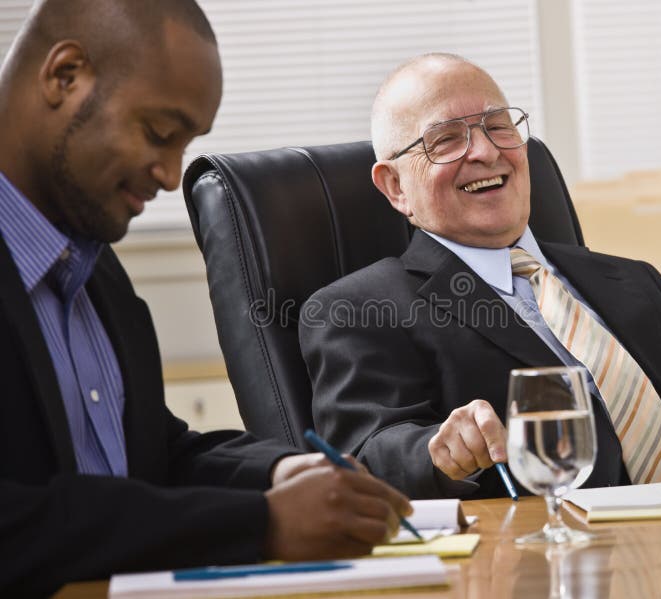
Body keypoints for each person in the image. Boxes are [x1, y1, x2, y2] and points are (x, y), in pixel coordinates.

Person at [0, 1, 410, 595]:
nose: (171, 175)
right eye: (160, 134)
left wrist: (278, 471)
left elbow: (154, 456)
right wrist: (260, 524)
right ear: (65, 77)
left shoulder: (94, 271)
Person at [300, 53, 661, 500]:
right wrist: (438, 450)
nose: (486, 151)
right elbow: (367, 455)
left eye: (498, 127)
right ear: (395, 186)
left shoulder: (634, 279)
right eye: (447, 139)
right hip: (554, 546)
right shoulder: (359, 309)